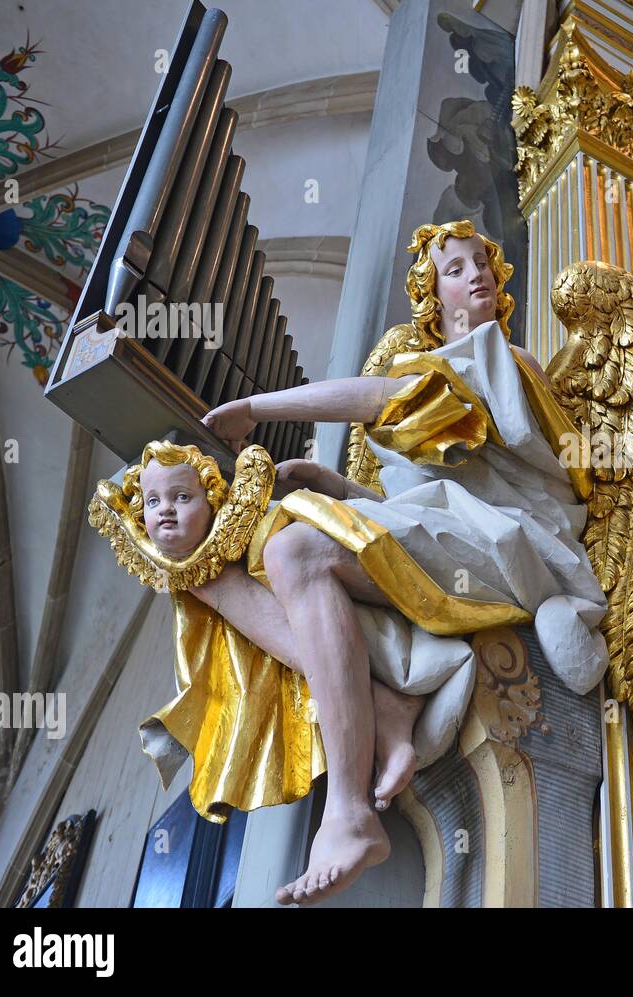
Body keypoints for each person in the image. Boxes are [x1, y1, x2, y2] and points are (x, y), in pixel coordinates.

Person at [197, 220, 609, 906]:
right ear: (432, 294)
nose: (477, 273)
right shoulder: (445, 389)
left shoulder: (506, 364)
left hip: (523, 549)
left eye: (483, 262)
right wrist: (344, 491)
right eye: (455, 267)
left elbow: (382, 400)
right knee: (277, 549)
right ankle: (384, 716)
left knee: (297, 547)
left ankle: (350, 812)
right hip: (472, 538)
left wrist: (257, 407)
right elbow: (431, 504)